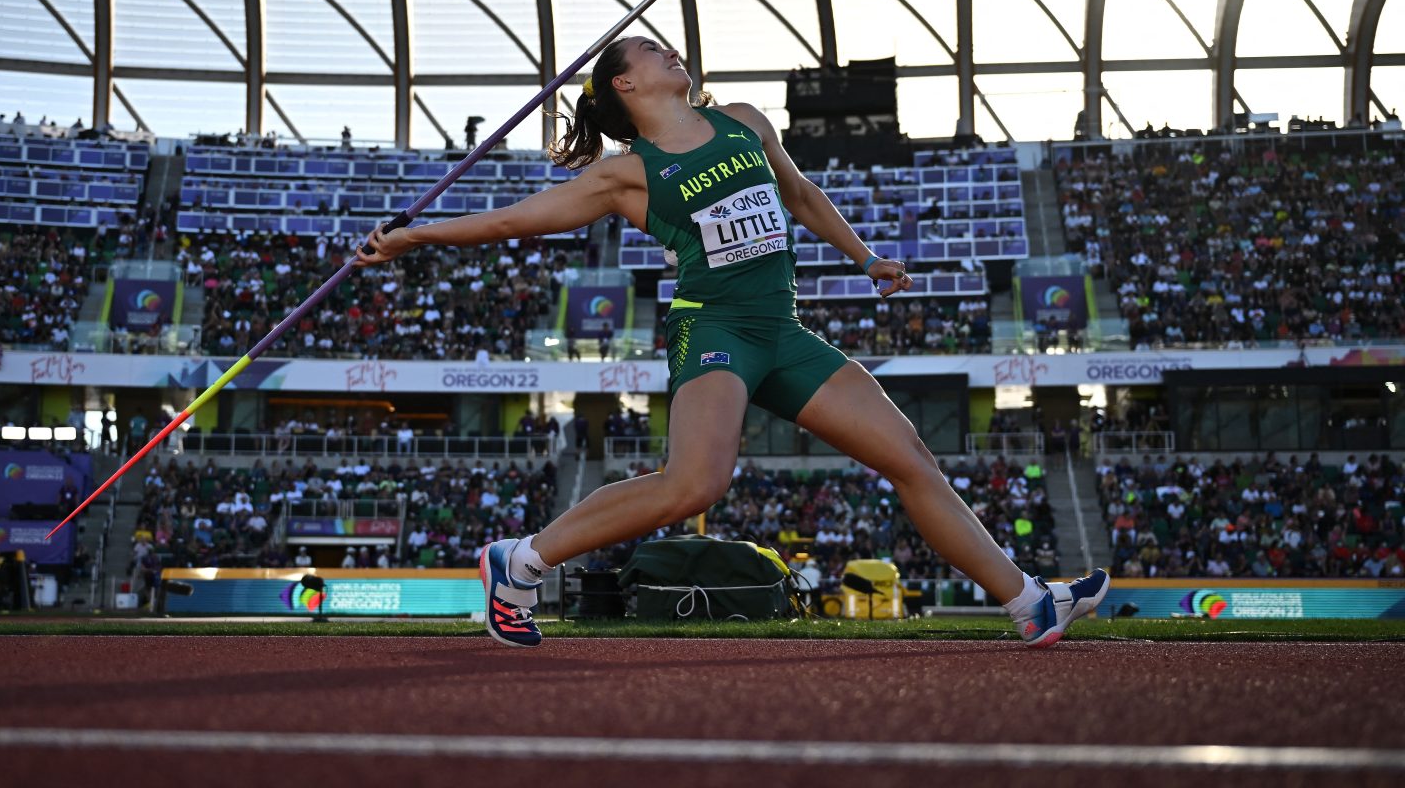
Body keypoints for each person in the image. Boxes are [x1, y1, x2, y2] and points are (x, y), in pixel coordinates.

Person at [355, 36, 1107, 649]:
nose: (672, 51)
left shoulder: (746, 121)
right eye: (653, 51)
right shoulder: (626, 174)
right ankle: (517, 562)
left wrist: (865, 257)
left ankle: (1029, 603)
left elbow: (802, 197)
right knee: (696, 484)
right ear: (625, 85)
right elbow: (510, 220)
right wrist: (413, 235)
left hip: (782, 331)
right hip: (712, 329)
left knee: (910, 458)